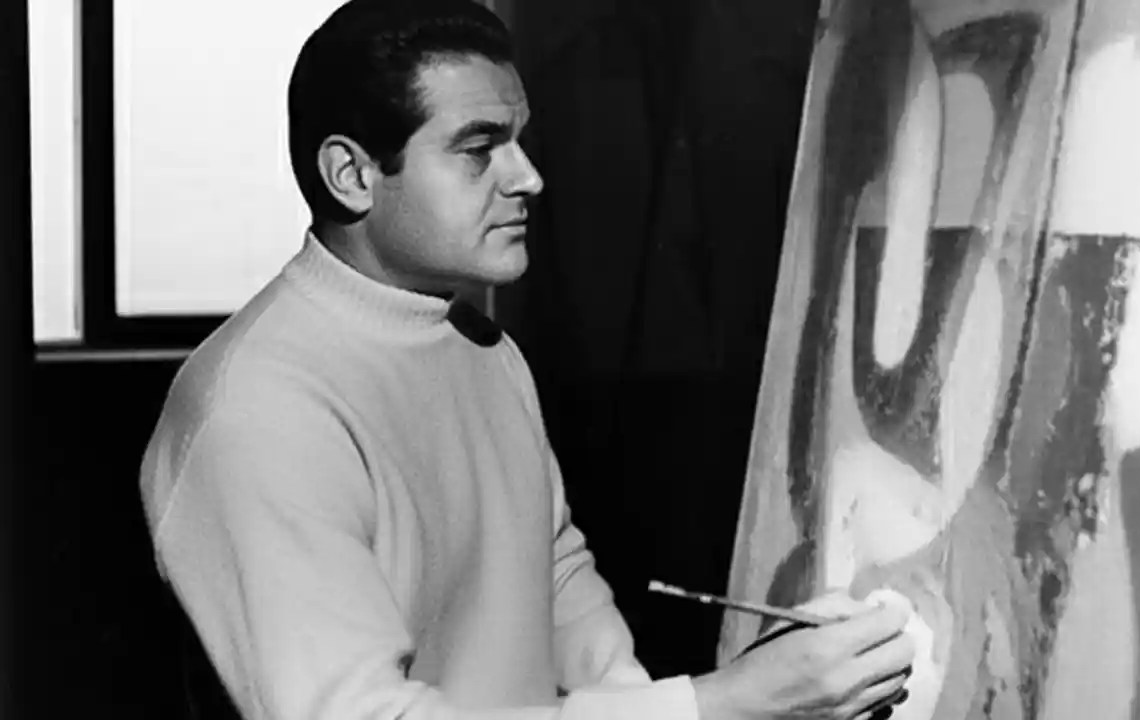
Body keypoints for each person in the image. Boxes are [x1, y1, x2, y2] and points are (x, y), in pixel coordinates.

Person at [138, 1, 916, 718]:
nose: (528, 177)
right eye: (479, 149)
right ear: (351, 174)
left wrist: (698, 697)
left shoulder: (484, 348)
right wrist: (719, 705)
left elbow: (554, 579)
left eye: (518, 140)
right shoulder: (259, 408)